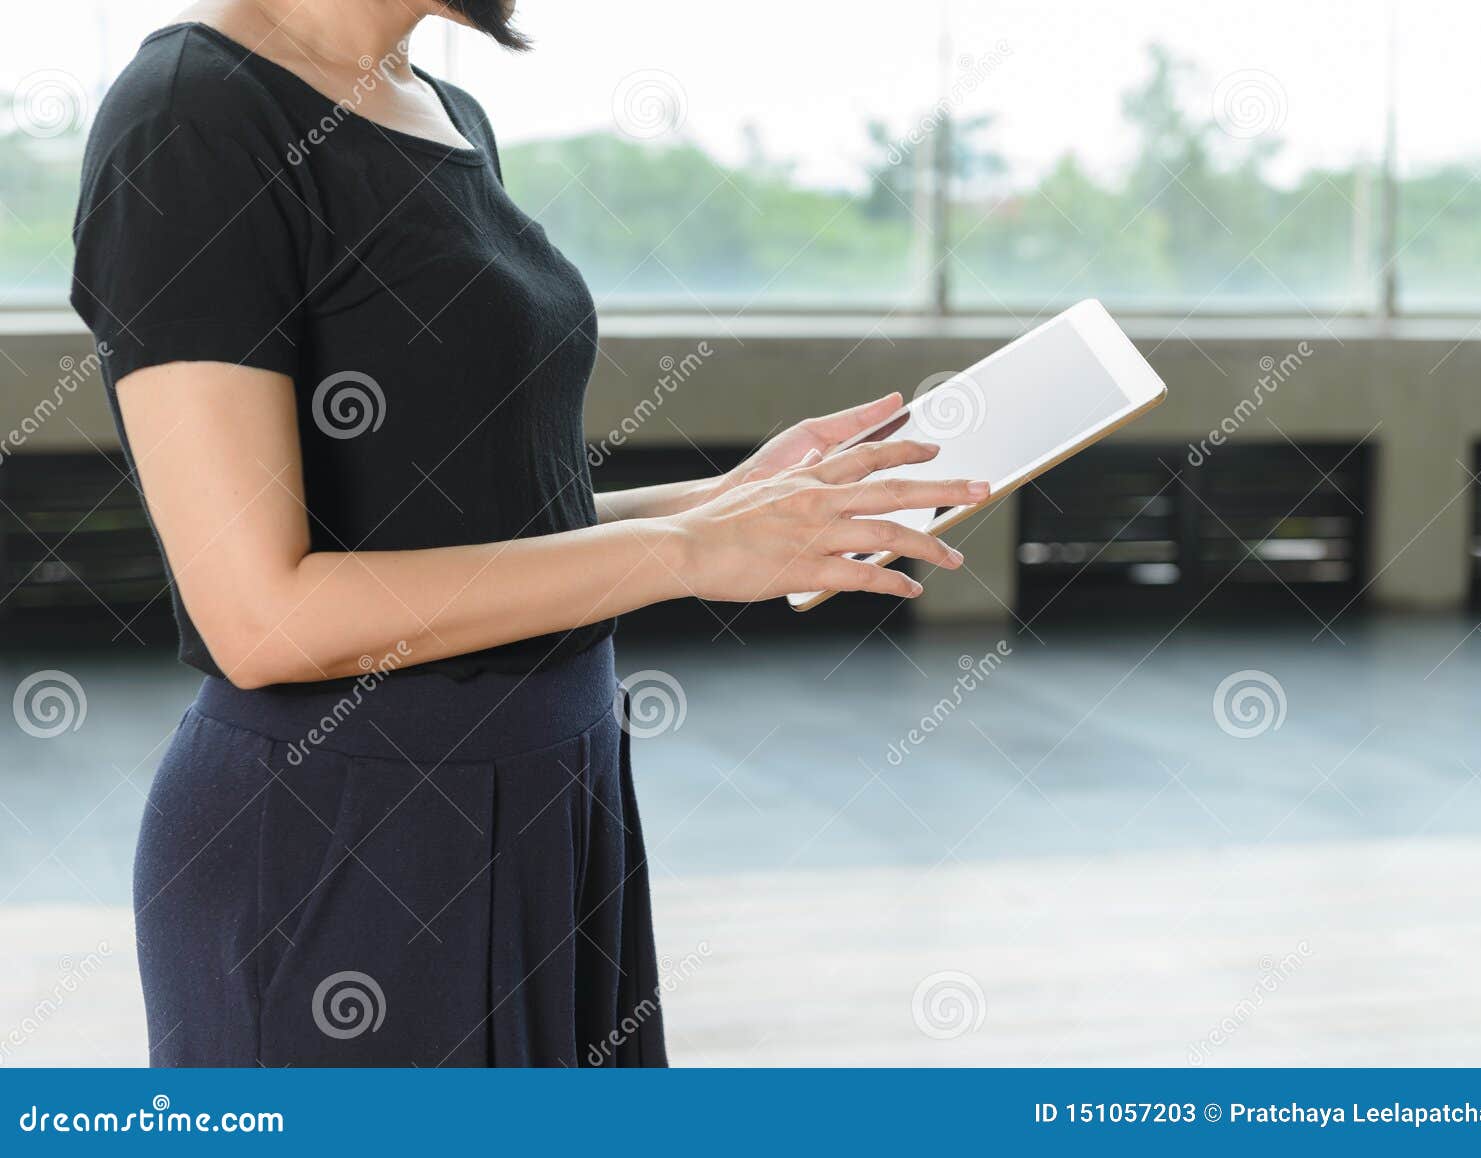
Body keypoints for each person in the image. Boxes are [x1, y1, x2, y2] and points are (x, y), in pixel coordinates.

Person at [70, 0, 984, 1066]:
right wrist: (685, 556)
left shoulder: (440, 110)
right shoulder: (192, 116)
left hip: (555, 798)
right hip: (348, 837)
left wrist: (723, 502)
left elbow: (477, 528)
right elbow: (259, 615)